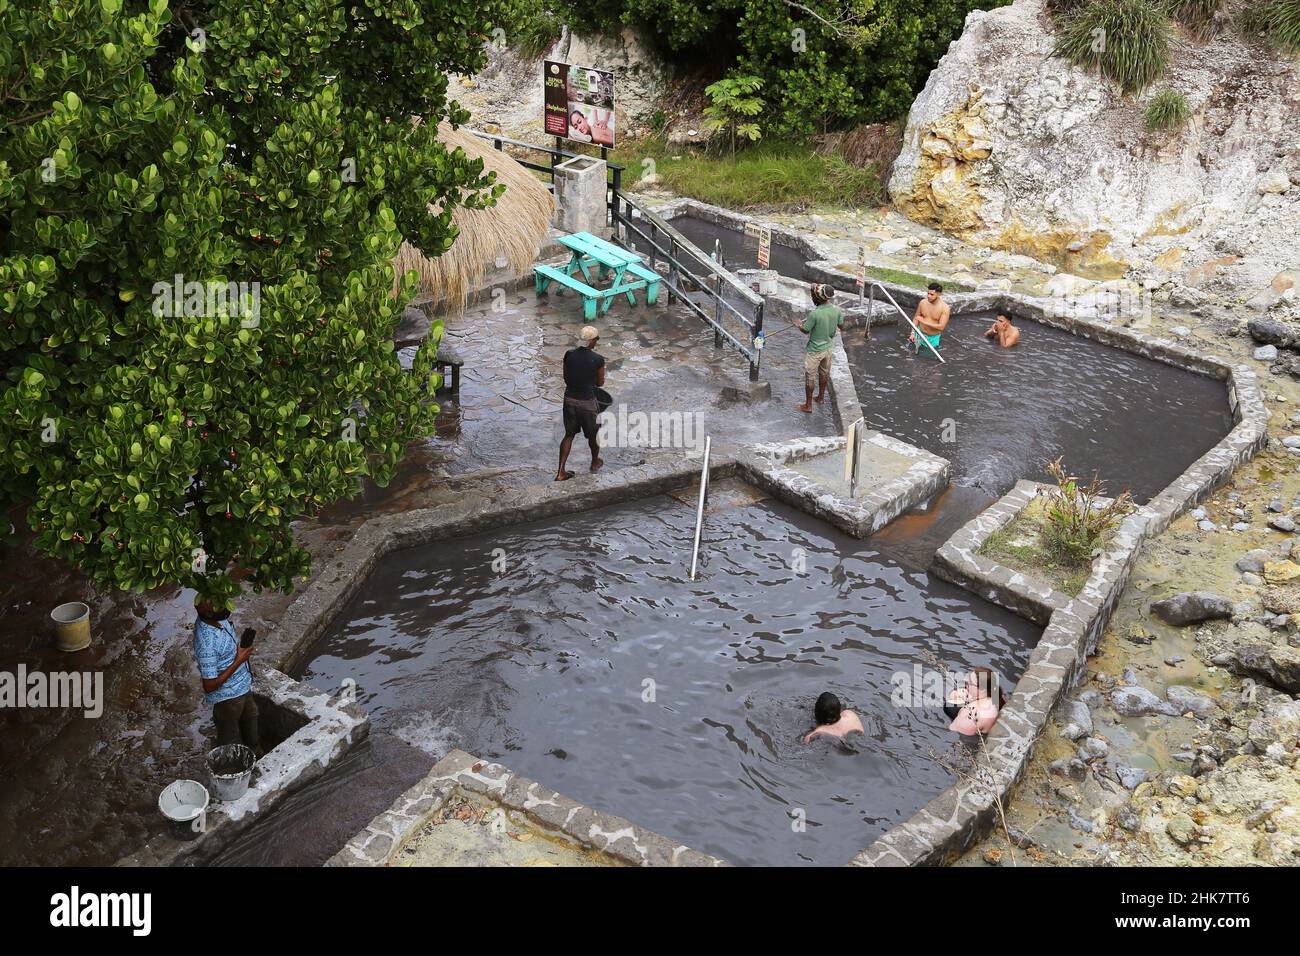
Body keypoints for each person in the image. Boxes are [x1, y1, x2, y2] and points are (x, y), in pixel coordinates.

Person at [193, 599, 261, 751]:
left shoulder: (218, 620)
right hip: (228, 698)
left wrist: (239, 652)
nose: (226, 606)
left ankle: (256, 754)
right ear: (209, 613)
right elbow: (209, 686)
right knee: (230, 740)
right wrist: (239, 660)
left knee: (251, 720)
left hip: (243, 686)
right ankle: (235, 769)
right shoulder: (206, 643)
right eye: (219, 605)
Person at [557, 325, 606, 481]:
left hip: (569, 399)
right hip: (587, 403)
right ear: (592, 341)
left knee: (569, 435)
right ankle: (594, 462)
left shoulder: (569, 355)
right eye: (596, 339)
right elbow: (600, 383)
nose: (596, 342)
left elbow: (566, 378)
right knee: (593, 436)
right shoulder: (597, 359)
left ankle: (560, 472)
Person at [794, 283, 843, 414]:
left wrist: (799, 324)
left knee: (810, 377)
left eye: (813, 295)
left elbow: (805, 330)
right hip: (828, 348)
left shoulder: (814, 314)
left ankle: (808, 405)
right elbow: (841, 325)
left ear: (818, 298)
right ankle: (820, 398)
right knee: (824, 373)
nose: (812, 297)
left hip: (815, 350)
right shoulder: (837, 310)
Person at [943, 667, 1004, 736]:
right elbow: (953, 694)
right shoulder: (991, 694)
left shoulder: (977, 713)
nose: (966, 683)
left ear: (981, 689)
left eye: (970, 683)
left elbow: (953, 730)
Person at [910, 282, 950, 356]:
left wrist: (924, 322)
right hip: (918, 334)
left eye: (932, 294)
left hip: (932, 338)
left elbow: (941, 327)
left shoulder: (945, 308)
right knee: (912, 354)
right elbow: (916, 318)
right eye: (928, 293)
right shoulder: (923, 303)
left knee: (927, 357)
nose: (928, 296)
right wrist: (912, 333)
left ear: (939, 294)